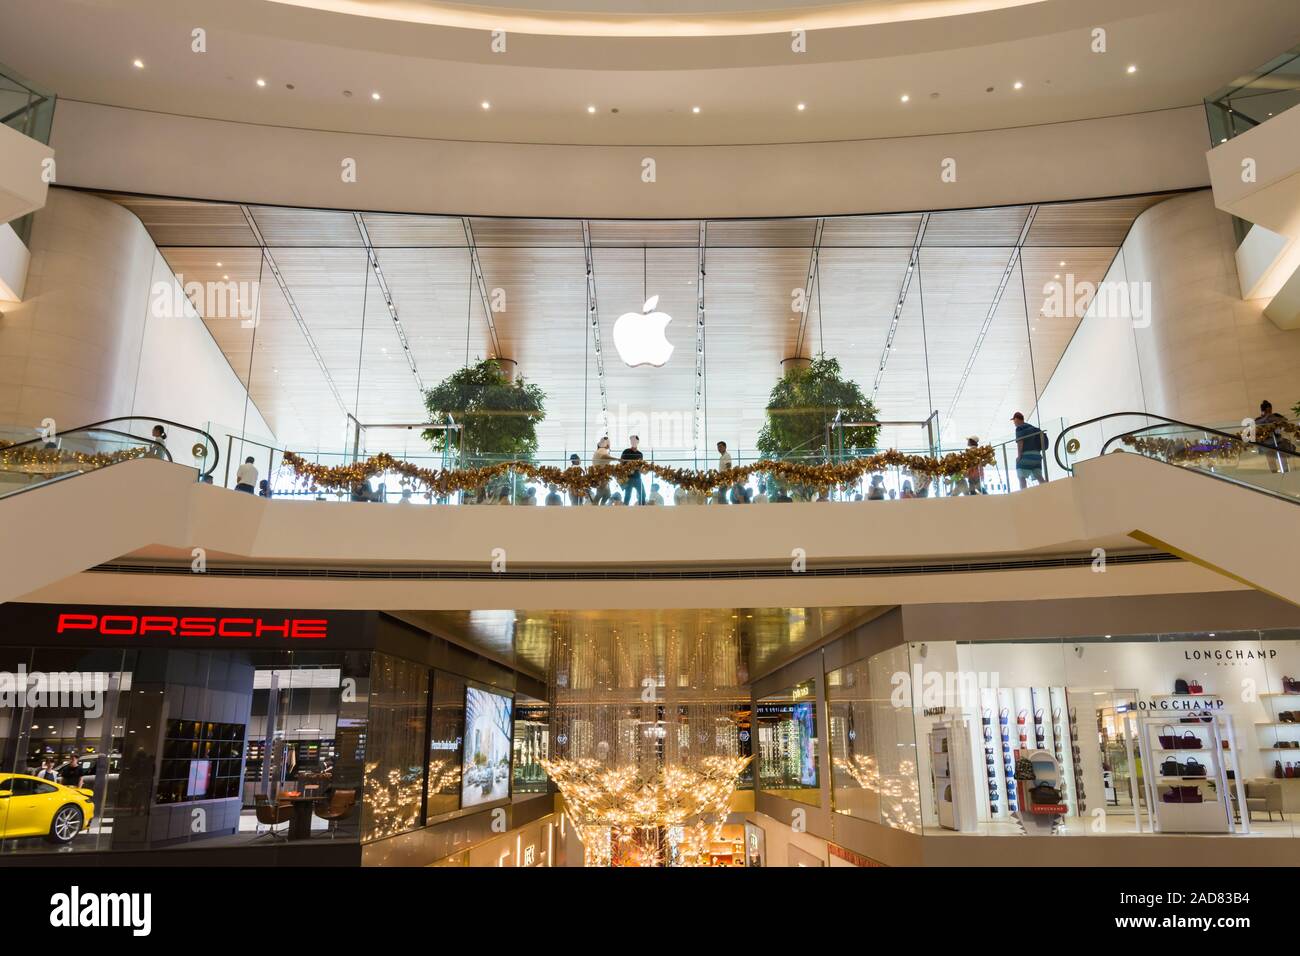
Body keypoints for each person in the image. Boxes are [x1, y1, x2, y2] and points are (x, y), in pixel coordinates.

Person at [1254, 400, 1295, 474]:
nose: (1269, 412)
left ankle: (1286, 471)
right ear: (1263, 411)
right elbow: (1255, 424)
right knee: (1271, 459)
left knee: (1282, 457)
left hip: (1278, 441)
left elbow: (1285, 421)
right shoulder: (1259, 419)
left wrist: (1273, 418)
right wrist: (1266, 418)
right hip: (1267, 443)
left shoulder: (1275, 416)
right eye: (1267, 410)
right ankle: (1274, 473)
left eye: (1270, 410)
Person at [1011, 412, 1046, 489]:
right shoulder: (1034, 428)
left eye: (1014, 421)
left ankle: (1023, 494)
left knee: (1021, 477)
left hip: (1027, 456)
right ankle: (1048, 490)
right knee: (1039, 477)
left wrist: (1019, 457)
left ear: (1016, 419)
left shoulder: (1020, 428)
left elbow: (1020, 442)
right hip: (1037, 456)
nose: (1014, 423)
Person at [620, 435, 645, 505]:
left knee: (643, 495)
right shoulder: (626, 451)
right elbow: (621, 463)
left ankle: (642, 511)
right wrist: (628, 468)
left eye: (634, 440)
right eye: (631, 440)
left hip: (637, 477)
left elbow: (641, 466)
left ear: (638, 442)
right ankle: (624, 512)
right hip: (629, 478)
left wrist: (640, 469)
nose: (633, 442)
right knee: (627, 496)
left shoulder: (640, 454)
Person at [592, 437, 617, 505]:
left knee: (607, 494)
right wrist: (616, 459)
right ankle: (594, 507)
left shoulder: (599, 450)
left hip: (601, 475)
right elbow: (604, 457)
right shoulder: (602, 450)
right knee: (600, 493)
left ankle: (601, 506)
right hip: (601, 475)